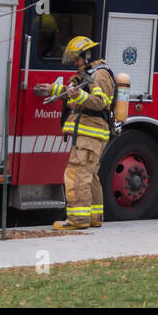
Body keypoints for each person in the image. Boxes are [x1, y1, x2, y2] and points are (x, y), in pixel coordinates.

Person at [51, 36, 116, 231]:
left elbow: (100, 102)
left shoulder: (100, 74)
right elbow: (79, 94)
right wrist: (53, 91)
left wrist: (78, 96)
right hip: (88, 133)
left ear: (87, 55)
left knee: (77, 174)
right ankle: (94, 216)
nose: (75, 63)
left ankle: (77, 220)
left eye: (77, 58)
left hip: (91, 133)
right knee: (90, 175)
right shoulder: (89, 75)